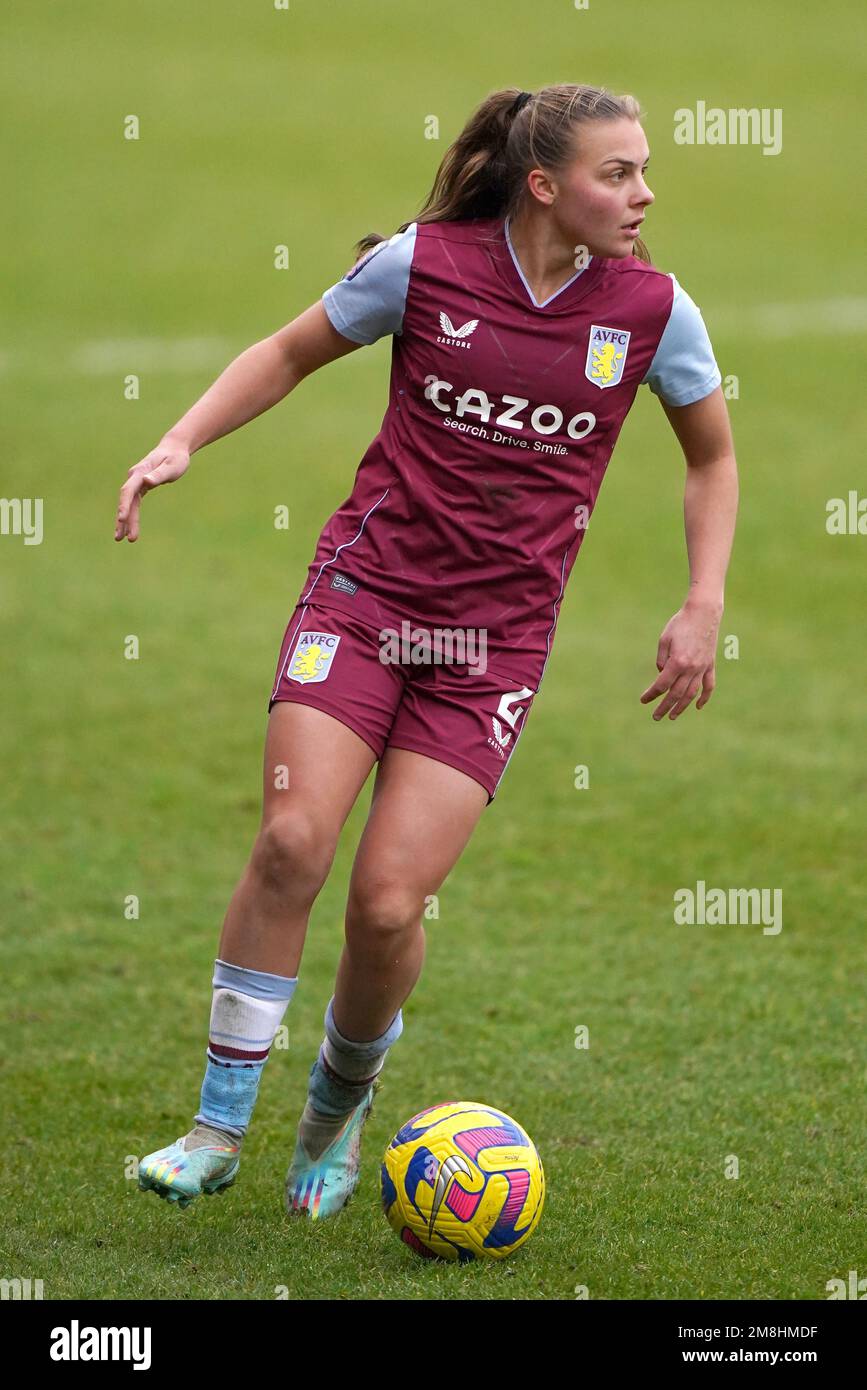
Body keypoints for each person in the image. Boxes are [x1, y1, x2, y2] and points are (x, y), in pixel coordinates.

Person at [116, 84, 738, 1220]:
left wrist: (703, 601)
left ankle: (335, 1111)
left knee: (390, 905)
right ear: (545, 183)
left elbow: (710, 458)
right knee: (293, 839)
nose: (644, 194)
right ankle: (214, 1126)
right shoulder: (422, 265)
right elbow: (290, 349)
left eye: (646, 171)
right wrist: (179, 439)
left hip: (490, 647)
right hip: (364, 597)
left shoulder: (655, 311)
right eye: (619, 173)